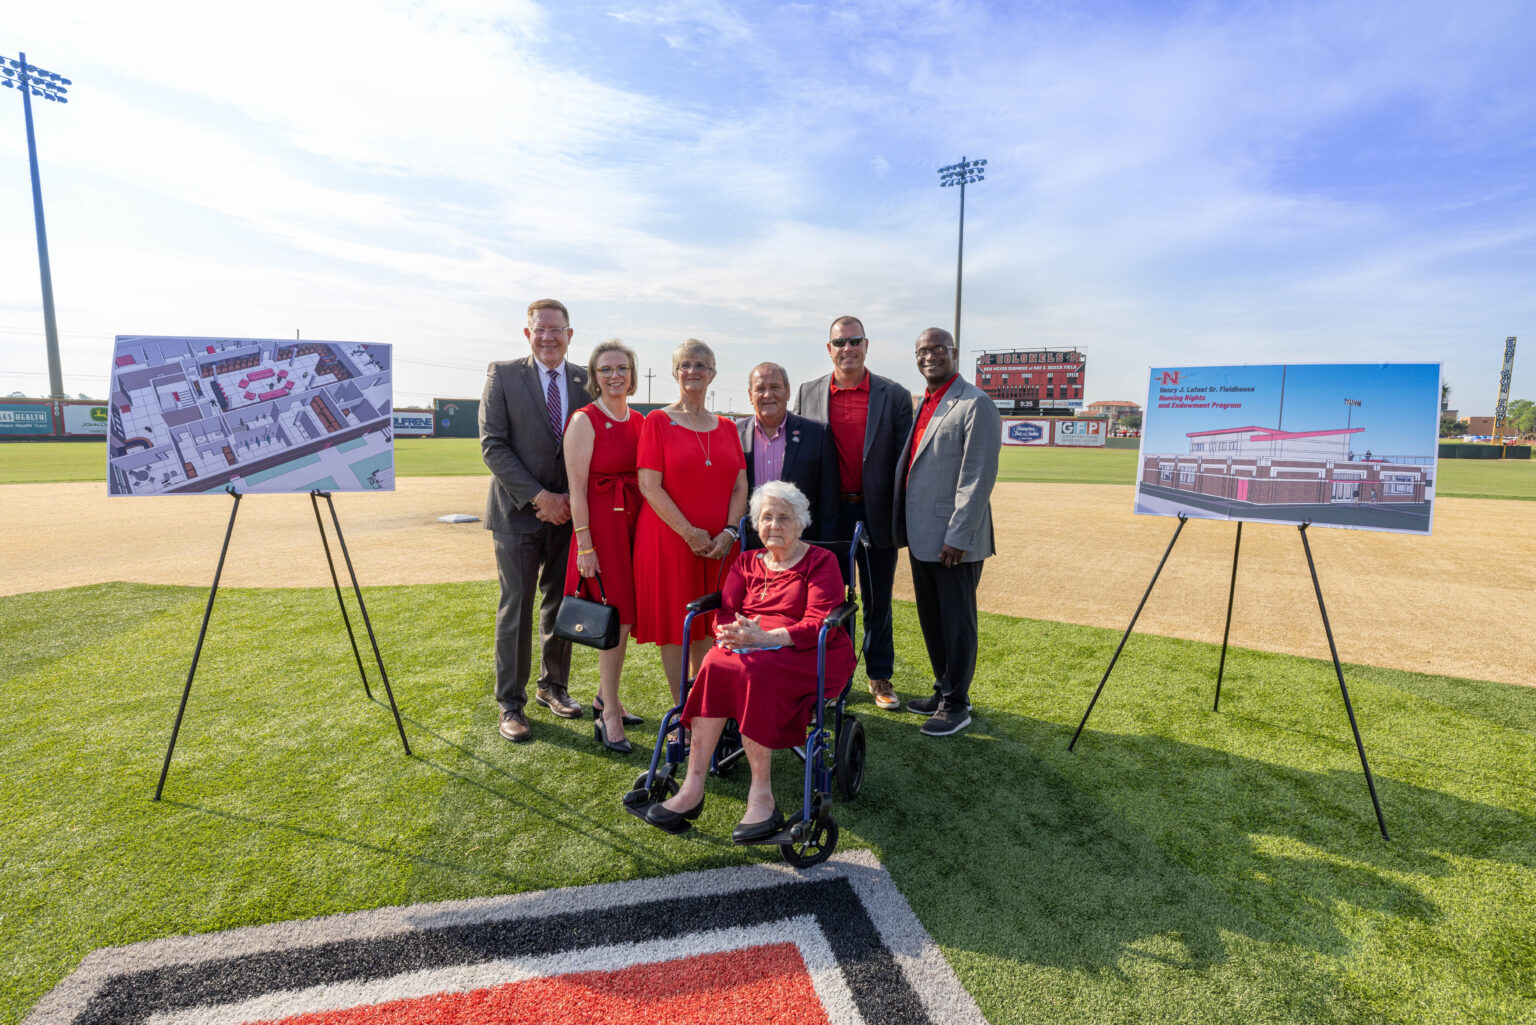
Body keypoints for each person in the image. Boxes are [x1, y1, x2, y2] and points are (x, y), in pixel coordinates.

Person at [644, 480, 855, 839]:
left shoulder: (822, 562)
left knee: (755, 671)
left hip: (807, 651)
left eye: (784, 517)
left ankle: (762, 795)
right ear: (756, 523)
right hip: (748, 646)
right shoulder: (745, 562)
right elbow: (726, 610)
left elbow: (820, 622)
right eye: (766, 517)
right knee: (713, 663)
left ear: (801, 522)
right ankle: (692, 787)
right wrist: (731, 634)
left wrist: (766, 638)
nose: (774, 525)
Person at [480, 299, 589, 742]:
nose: (548, 337)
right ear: (528, 334)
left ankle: (553, 686)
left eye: (556, 329)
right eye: (540, 329)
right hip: (518, 513)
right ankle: (511, 702)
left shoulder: (585, 379)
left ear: (569, 334)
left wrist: (569, 504)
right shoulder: (502, 374)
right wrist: (540, 497)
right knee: (517, 607)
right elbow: (493, 445)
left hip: (569, 516)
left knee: (561, 605)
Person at [793, 316, 913, 712]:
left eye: (854, 341)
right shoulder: (808, 393)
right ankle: (834, 677)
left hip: (876, 512)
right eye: (839, 342)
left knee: (879, 600)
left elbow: (903, 462)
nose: (847, 348)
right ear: (829, 348)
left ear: (866, 345)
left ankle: (879, 675)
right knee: (830, 599)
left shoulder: (893, 395)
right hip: (827, 514)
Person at [894, 327, 1002, 737]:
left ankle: (958, 704)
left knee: (956, 624)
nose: (930, 356)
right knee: (933, 620)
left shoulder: (976, 404)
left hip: (953, 540)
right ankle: (943, 690)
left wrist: (958, 536)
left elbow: (977, 477)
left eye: (938, 348)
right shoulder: (924, 403)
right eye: (923, 350)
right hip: (923, 535)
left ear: (954, 353)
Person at [633, 339, 749, 704]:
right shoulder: (658, 421)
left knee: (710, 622)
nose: (693, 371)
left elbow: (740, 487)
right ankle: (680, 707)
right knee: (676, 625)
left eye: (701, 365)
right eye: (685, 365)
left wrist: (730, 532)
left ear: (712, 374)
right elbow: (649, 485)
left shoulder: (729, 428)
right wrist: (689, 533)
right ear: (675, 372)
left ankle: (704, 700)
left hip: (721, 545)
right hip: (671, 541)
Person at [563, 339, 646, 754]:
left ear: (632, 373)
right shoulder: (584, 420)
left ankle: (603, 696)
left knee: (626, 619)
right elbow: (576, 488)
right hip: (601, 533)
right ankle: (609, 712)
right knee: (618, 621)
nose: (615, 376)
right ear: (594, 377)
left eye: (622, 368)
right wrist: (585, 545)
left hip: (634, 529)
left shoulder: (641, 420)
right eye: (606, 369)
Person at [736, 362, 837, 548]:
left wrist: (824, 550)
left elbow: (829, 502)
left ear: (788, 391)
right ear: (750, 395)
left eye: (775, 387)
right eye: (760, 388)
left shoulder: (817, 434)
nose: (768, 395)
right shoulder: (733, 434)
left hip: (801, 546)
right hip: (749, 548)